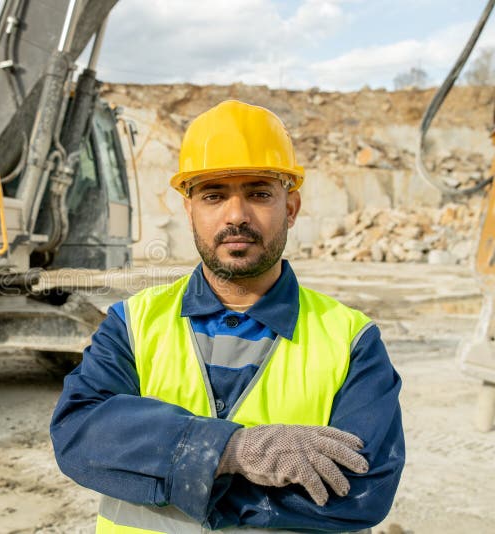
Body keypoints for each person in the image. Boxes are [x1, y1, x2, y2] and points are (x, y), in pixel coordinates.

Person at [49, 100, 405, 533]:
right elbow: (80, 433)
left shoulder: (351, 339)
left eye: (258, 193)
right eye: (214, 195)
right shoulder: (133, 322)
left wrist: (177, 474)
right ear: (190, 210)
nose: (236, 216)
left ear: (290, 208)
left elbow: (362, 489)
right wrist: (231, 450)